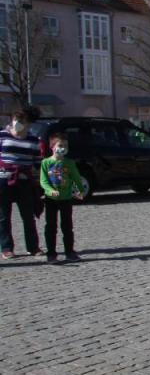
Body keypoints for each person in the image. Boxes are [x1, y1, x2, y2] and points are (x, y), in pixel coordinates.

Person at [0, 110, 43, 259]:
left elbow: (38, 162)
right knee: (3, 216)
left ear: (28, 123)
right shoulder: (2, 135)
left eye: (21, 120)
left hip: (24, 180)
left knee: (28, 216)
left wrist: (40, 181)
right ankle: (6, 248)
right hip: (3, 180)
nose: (17, 123)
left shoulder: (33, 140)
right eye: (15, 119)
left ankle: (33, 247)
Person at [39, 134, 84, 263]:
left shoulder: (69, 163)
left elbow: (76, 177)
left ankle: (70, 251)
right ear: (52, 147)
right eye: (60, 145)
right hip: (51, 200)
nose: (63, 148)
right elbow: (43, 181)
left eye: (65, 146)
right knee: (51, 226)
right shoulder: (46, 162)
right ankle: (51, 253)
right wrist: (50, 190)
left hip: (66, 199)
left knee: (67, 226)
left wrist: (80, 190)